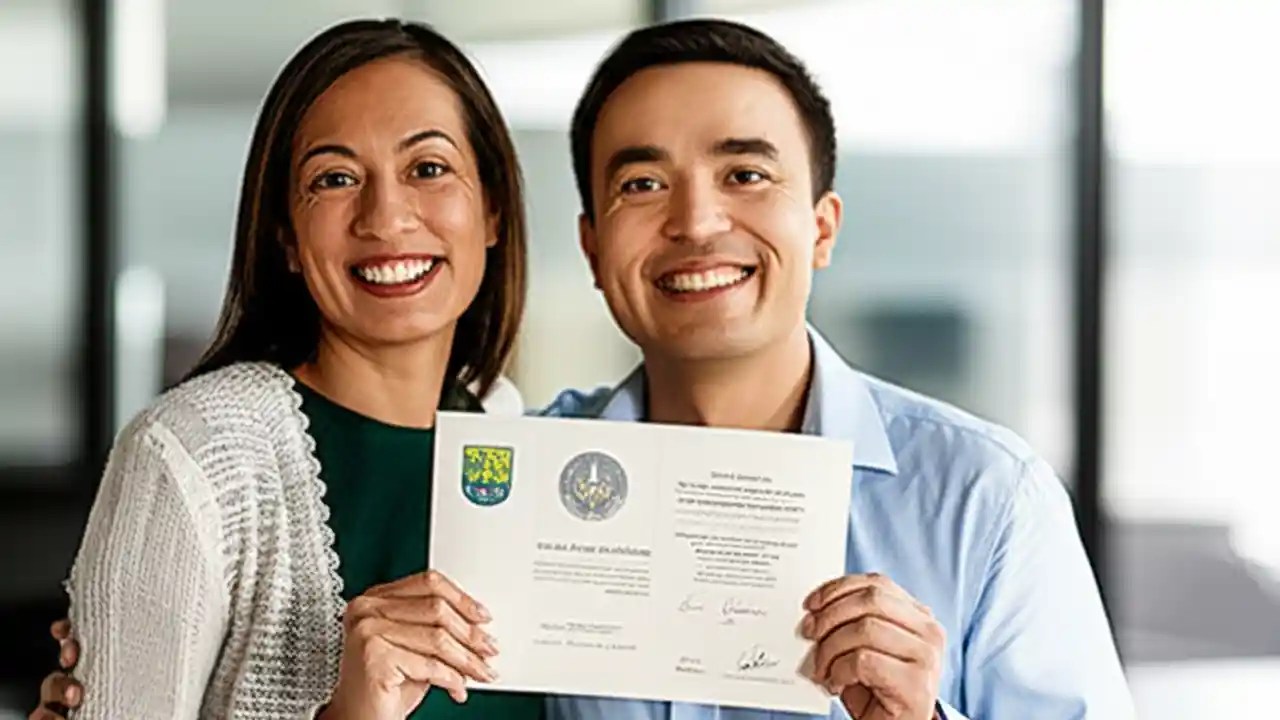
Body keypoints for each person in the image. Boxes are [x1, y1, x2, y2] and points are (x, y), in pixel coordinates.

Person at [35, 17, 1135, 720]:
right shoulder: (516, 470)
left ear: (823, 224)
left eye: (746, 174)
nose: (698, 223)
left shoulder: (984, 501)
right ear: (589, 244)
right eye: (642, 184)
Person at [31, 18, 545, 720]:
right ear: (287, 239)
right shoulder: (192, 451)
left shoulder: (519, 431)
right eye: (334, 179)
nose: (386, 218)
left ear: (490, 208)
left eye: (428, 169)